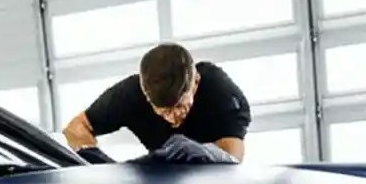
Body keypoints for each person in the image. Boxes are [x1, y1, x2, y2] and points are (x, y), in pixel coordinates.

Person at [62, 42, 251, 161]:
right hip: (162, 183)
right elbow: (76, 128)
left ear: (195, 82)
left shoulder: (219, 91)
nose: (172, 118)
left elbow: (232, 159)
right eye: (163, 111)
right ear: (145, 95)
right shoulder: (130, 94)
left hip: (211, 182)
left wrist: (203, 154)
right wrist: (99, 163)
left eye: (180, 106)